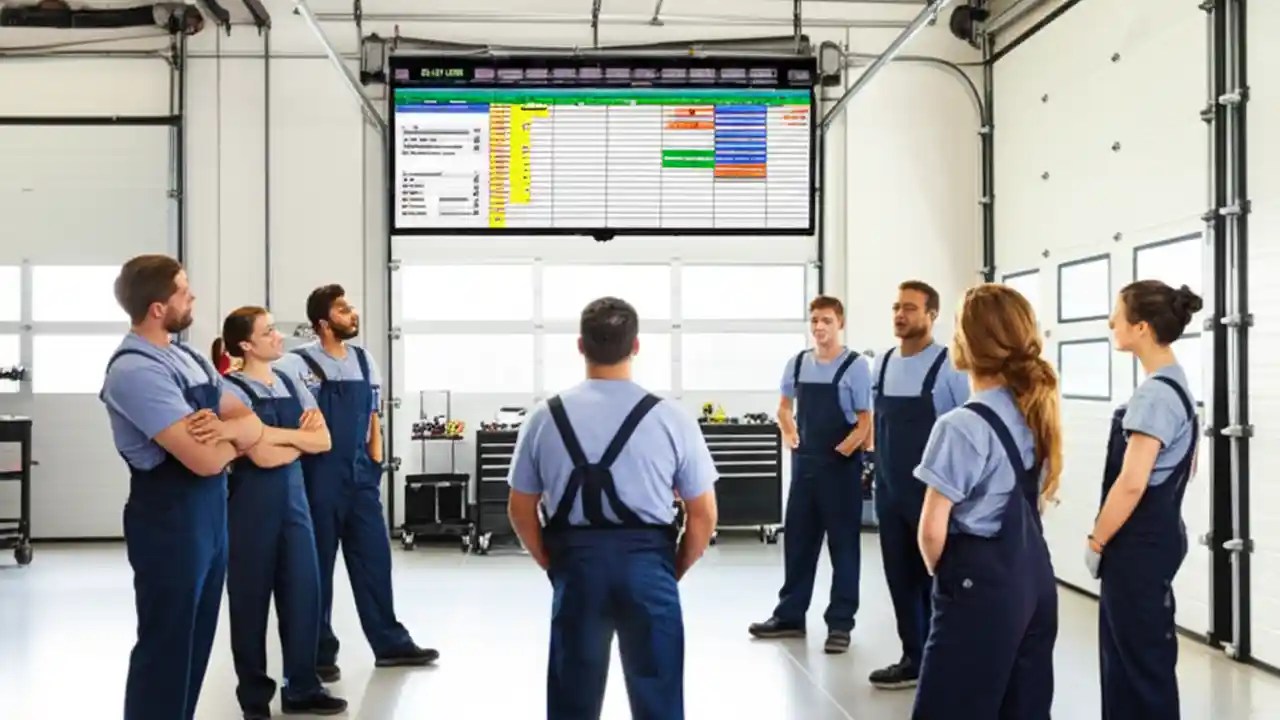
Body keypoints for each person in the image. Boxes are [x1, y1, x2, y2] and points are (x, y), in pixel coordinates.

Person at [506, 297, 720, 720]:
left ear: (580, 346)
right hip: (649, 565)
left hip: (577, 567)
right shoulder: (672, 418)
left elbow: (519, 508)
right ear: (636, 346)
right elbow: (704, 514)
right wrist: (672, 568)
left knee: (572, 696)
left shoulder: (543, 419)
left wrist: (550, 561)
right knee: (658, 692)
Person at [99, 254, 266, 720]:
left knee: (195, 643)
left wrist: (229, 431)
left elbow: (247, 417)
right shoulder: (135, 372)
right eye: (183, 289)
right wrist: (236, 436)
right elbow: (206, 459)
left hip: (210, 521)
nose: (192, 296)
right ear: (157, 307)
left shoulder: (187, 356)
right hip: (168, 522)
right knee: (167, 645)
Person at [910, 283, 1059, 719]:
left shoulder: (960, 425)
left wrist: (955, 582)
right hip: (1035, 582)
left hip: (979, 585)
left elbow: (931, 532)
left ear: (968, 343)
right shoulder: (1035, 412)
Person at [274, 284, 436, 681]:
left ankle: (391, 644)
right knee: (317, 568)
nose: (353, 314)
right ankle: (317, 653)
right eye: (344, 309)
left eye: (351, 307)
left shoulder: (365, 360)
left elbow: (373, 416)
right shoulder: (297, 364)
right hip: (318, 477)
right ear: (323, 323)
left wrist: (376, 460)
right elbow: (295, 421)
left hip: (361, 477)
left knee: (374, 562)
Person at [217, 306, 348, 719]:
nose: (279, 337)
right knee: (250, 604)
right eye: (269, 332)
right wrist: (296, 440)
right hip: (249, 511)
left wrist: (271, 437)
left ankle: (302, 687)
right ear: (245, 344)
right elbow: (261, 454)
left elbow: (324, 440)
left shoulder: (291, 380)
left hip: (296, 508)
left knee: (304, 594)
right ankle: (254, 698)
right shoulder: (230, 391)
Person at [1089, 280, 1203, 719]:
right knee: (1136, 659)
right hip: (1158, 539)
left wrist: (1097, 540)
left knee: (1136, 667)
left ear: (1139, 327)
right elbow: (1186, 467)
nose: (1111, 322)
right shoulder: (1176, 385)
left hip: (1137, 547)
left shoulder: (1154, 395)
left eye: (1117, 314)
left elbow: (1132, 483)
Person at [748, 295, 873, 654]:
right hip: (804, 469)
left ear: (840, 323)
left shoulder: (856, 367)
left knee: (843, 547)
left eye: (827, 320)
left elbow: (865, 420)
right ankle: (790, 616)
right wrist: (789, 432)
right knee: (799, 543)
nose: (819, 327)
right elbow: (784, 408)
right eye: (815, 320)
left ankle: (840, 623)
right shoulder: (798, 364)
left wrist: (845, 450)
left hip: (840, 469)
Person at [868, 280, 970, 690]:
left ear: (932, 315)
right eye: (896, 306)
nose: (900, 314)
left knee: (938, 579)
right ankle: (913, 657)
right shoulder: (884, 362)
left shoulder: (949, 366)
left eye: (910, 308)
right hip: (889, 490)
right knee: (899, 577)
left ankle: (947, 659)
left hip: (933, 493)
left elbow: (968, 431)